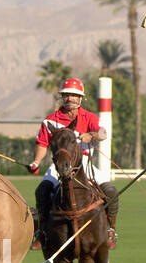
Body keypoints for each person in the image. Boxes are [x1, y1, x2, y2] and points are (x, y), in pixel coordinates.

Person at [28, 77, 119, 249]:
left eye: (74, 95)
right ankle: (42, 232)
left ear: (80, 98)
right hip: (59, 164)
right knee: (42, 191)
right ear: (62, 97)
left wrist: (91, 135)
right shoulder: (50, 120)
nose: (70, 98)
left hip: (84, 163)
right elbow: (42, 143)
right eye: (66, 95)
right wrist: (36, 161)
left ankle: (110, 230)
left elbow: (103, 133)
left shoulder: (89, 117)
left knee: (111, 192)